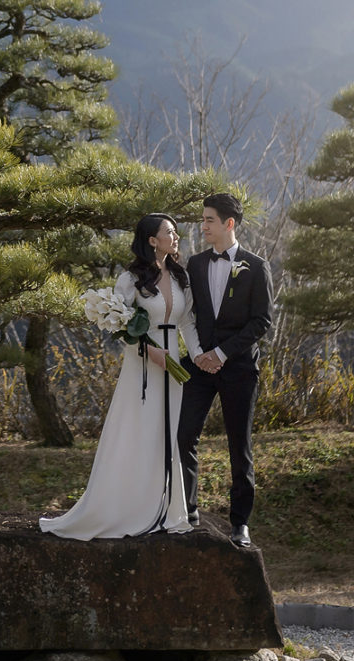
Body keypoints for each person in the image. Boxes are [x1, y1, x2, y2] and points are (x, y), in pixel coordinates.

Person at [39, 214, 199, 539]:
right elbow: (122, 326)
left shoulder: (182, 276)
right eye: (169, 232)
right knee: (139, 431)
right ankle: (127, 508)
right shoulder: (130, 278)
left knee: (168, 434)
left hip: (173, 367)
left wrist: (199, 357)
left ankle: (166, 510)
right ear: (152, 240)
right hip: (143, 364)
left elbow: (188, 325)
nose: (176, 236)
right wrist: (149, 351)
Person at [178, 191, 273, 549]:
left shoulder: (256, 266)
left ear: (228, 224)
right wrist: (201, 353)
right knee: (184, 435)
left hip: (238, 369)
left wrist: (221, 353)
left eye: (208, 220)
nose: (202, 226)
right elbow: (188, 314)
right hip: (199, 366)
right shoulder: (196, 264)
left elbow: (261, 321)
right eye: (202, 220)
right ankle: (188, 513)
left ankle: (240, 523)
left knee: (239, 445)